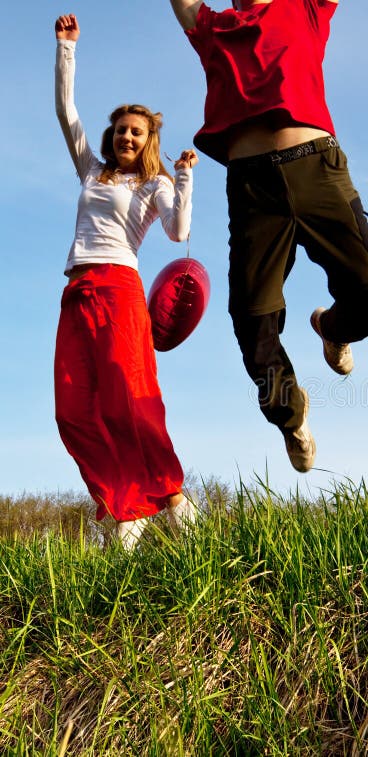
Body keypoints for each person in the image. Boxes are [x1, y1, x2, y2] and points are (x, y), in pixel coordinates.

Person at [167, 0, 368, 472]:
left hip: (317, 167)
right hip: (252, 189)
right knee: (252, 321)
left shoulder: (306, 7)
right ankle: (291, 417)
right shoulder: (215, 29)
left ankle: (331, 329)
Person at [54, 13, 200, 550]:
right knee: (72, 411)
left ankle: (173, 498)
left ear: (149, 138)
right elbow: (66, 114)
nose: (125, 137)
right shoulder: (92, 170)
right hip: (77, 292)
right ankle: (123, 504)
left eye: (135, 131)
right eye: (120, 130)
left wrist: (183, 179)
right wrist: (66, 50)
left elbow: (178, 230)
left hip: (119, 289)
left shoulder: (155, 183)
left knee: (128, 402)